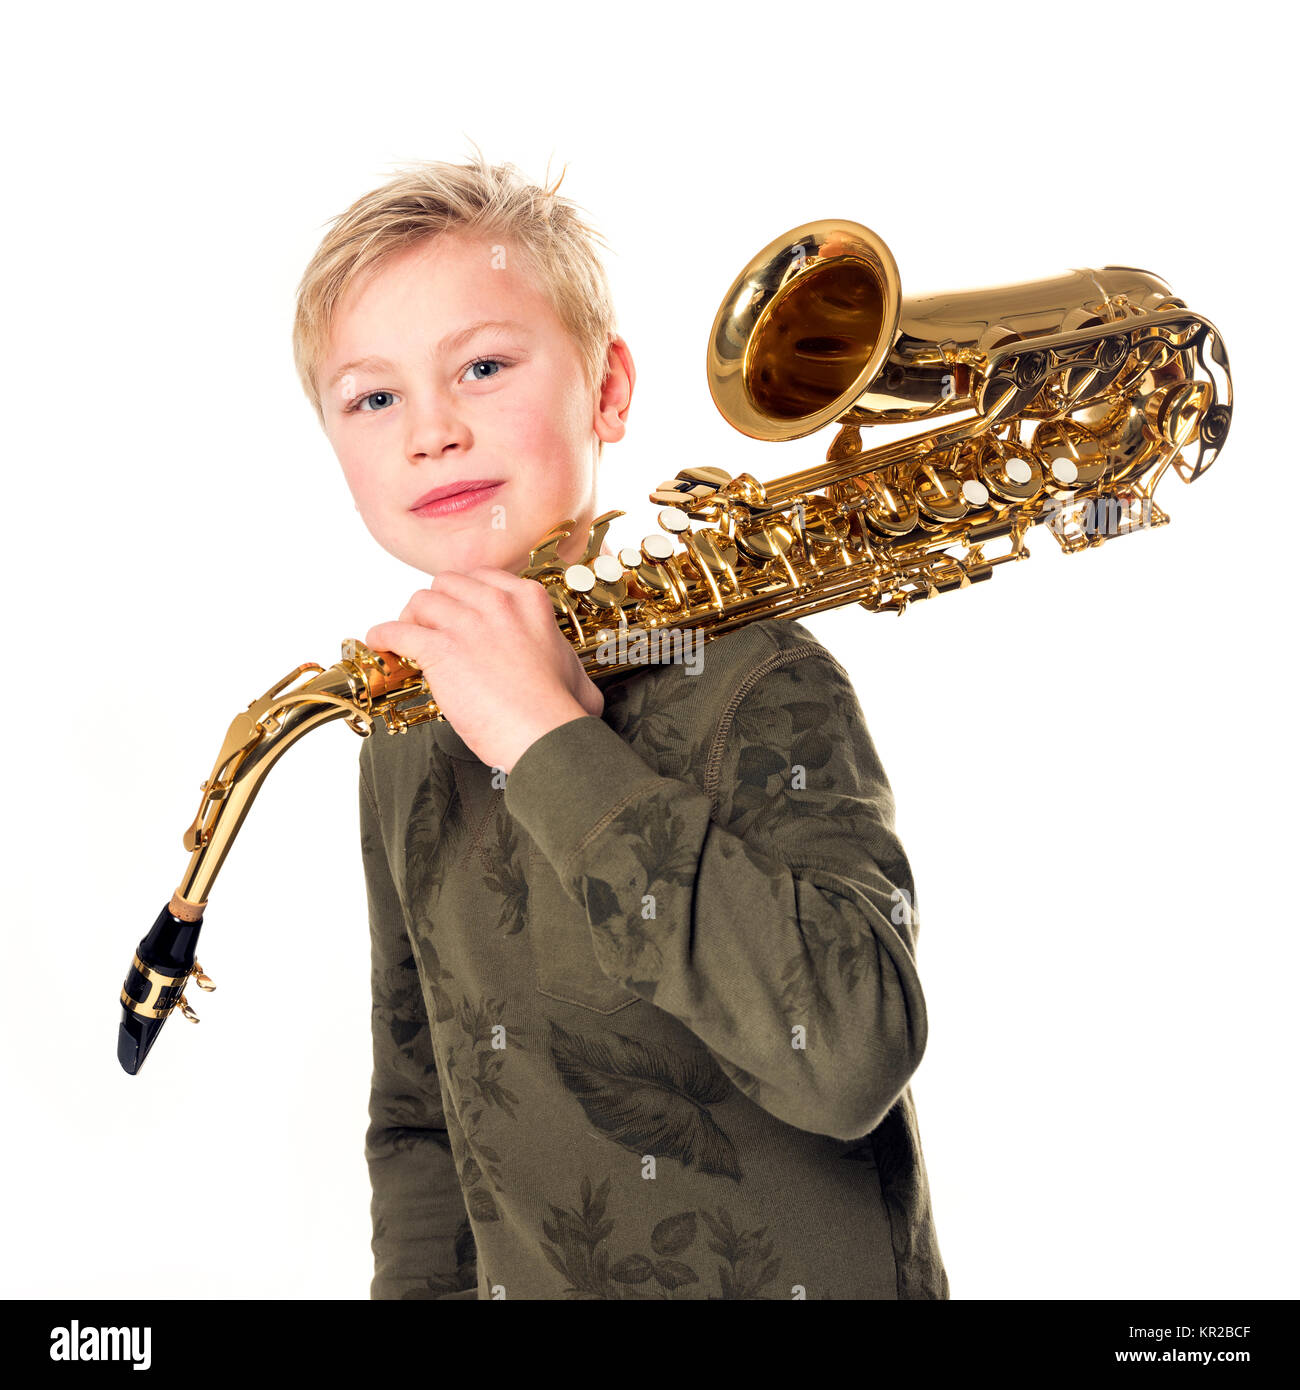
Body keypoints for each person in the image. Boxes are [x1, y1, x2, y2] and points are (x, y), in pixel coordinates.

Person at [291, 146, 949, 1300]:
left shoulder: (758, 672)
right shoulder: (400, 723)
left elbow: (849, 1056)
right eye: (374, 396)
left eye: (483, 365)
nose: (430, 430)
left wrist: (552, 745)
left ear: (606, 389)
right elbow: (421, 1117)